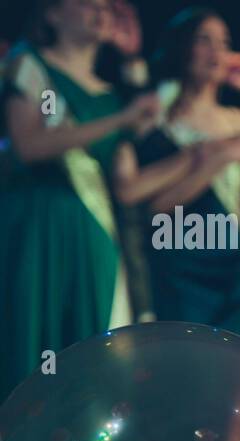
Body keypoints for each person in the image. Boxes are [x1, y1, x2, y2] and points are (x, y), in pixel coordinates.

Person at [0, 0, 195, 400]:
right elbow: (29, 144)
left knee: (87, 367)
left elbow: (128, 184)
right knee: (30, 354)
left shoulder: (112, 95)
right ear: (51, 13)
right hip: (38, 228)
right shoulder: (31, 66)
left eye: (106, 5)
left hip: (94, 240)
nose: (100, 10)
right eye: (87, 2)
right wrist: (121, 119)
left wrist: (195, 158)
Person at [138, 6, 240, 337]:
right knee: (184, 356)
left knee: (234, 357)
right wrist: (219, 159)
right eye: (204, 39)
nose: (216, 51)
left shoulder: (239, 120)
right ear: (183, 47)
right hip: (181, 257)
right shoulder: (158, 118)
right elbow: (152, 207)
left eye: (224, 42)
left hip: (235, 263)